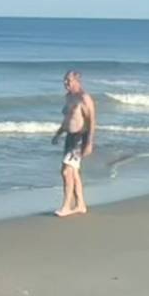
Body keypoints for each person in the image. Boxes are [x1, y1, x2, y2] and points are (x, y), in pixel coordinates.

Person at [51, 70, 96, 217]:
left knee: (66, 171)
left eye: (68, 81)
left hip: (79, 138)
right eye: (64, 80)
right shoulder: (68, 97)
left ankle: (66, 206)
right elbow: (67, 119)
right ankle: (81, 205)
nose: (65, 83)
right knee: (74, 172)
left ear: (77, 81)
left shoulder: (84, 98)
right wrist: (58, 133)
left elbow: (91, 121)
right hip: (69, 137)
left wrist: (89, 143)